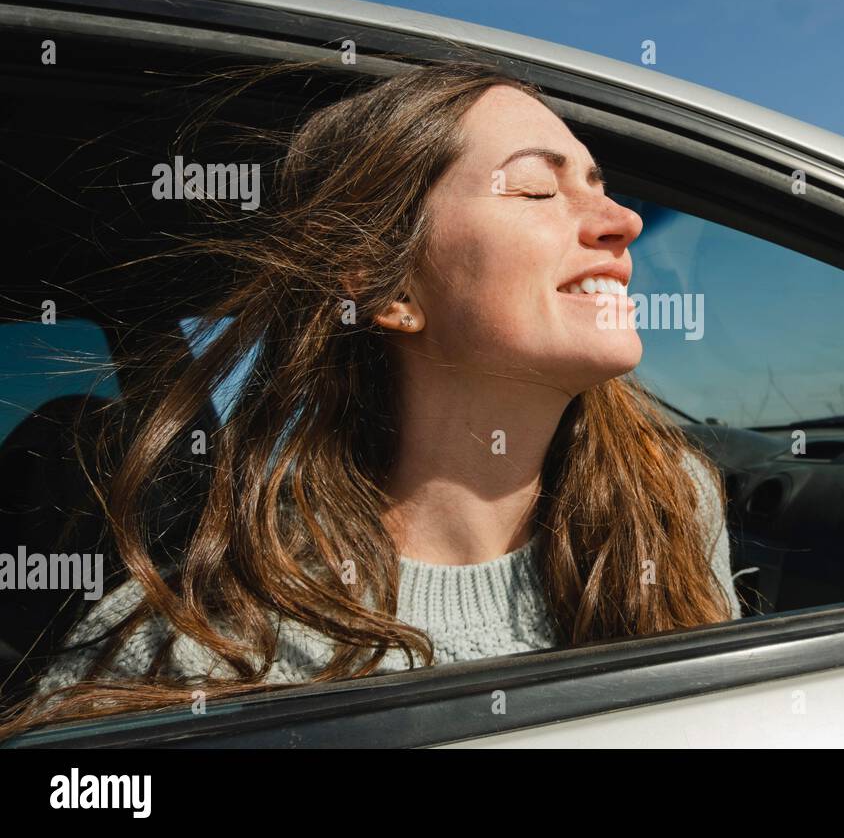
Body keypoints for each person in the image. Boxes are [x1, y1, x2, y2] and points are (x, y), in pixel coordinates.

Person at [0, 59, 741, 738]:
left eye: (599, 185)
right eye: (538, 188)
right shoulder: (215, 646)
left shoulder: (671, 511)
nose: (625, 222)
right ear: (385, 287)